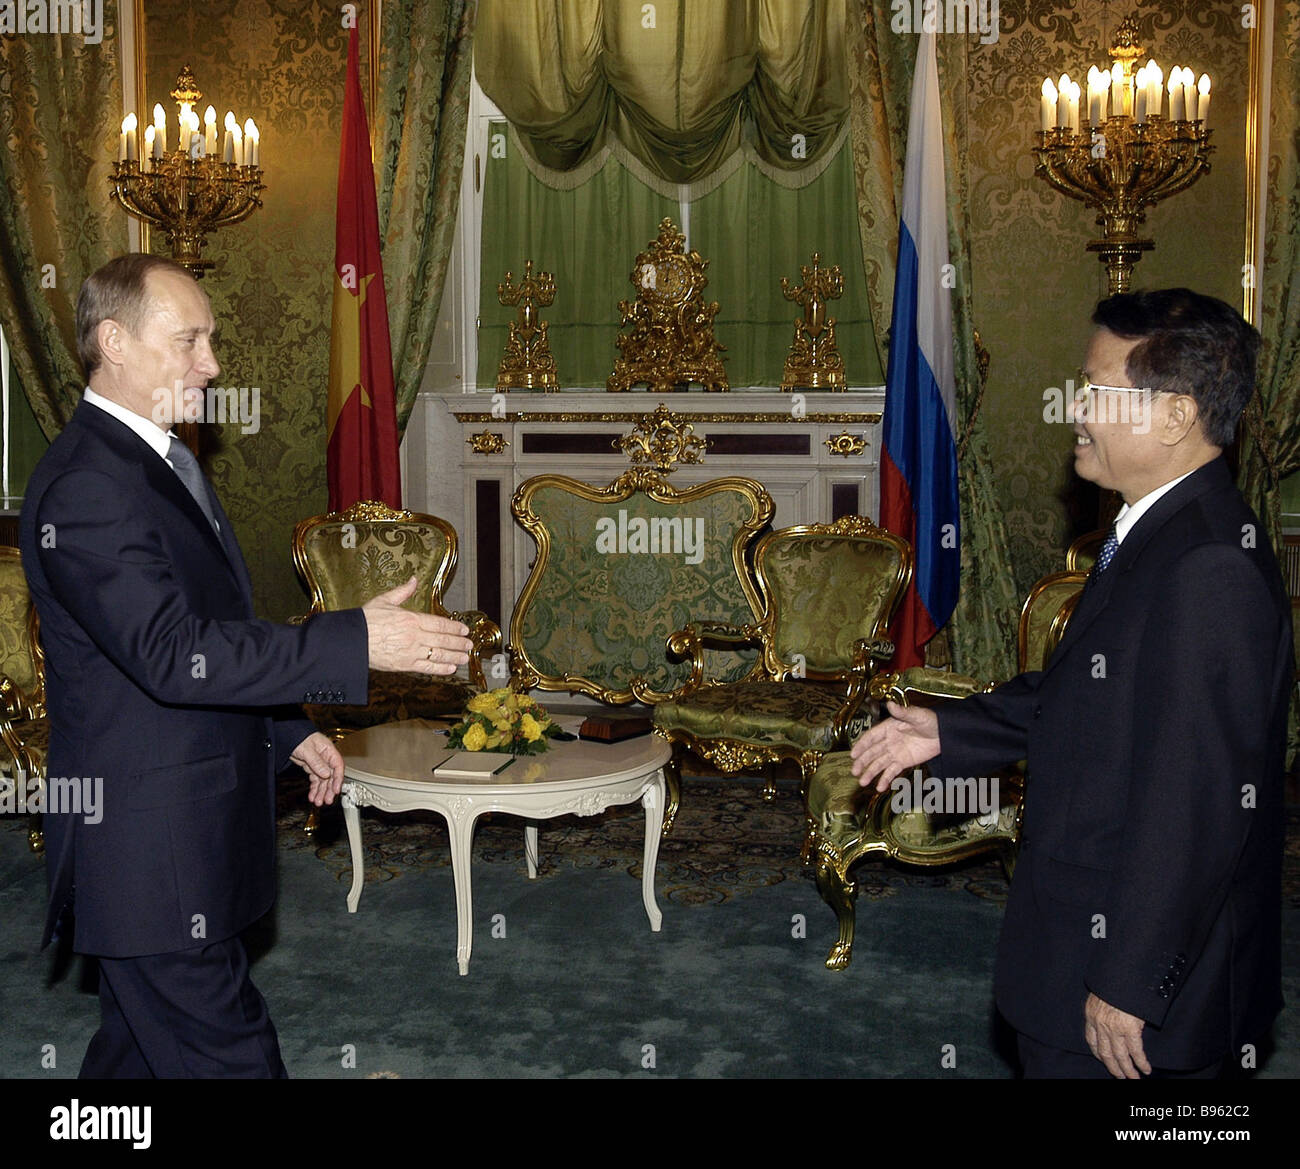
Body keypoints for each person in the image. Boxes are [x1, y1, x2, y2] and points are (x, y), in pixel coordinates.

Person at [20, 253, 475, 1078]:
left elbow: (207, 633)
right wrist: (353, 642)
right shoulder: (89, 485)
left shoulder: (157, 459)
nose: (212, 362)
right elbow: (170, 654)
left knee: (132, 1059)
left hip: (173, 831)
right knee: (229, 1056)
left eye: (213, 339)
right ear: (114, 342)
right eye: (189, 339)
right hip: (147, 850)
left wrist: (283, 730)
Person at [852, 288, 1291, 1079]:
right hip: (1079, 952)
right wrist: (950, 730)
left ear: (1175, 415)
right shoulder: (1157, 531)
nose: (1077, 410)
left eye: (1096, 389)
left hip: (1137, 1001)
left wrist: (1129, 984)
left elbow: (1198, 805)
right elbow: (1091, 693)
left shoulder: (1208, 566)